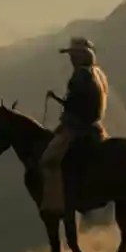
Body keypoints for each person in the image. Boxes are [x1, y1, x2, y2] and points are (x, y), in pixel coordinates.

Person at [40, 36, 109, 215]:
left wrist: (56, 99)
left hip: (78, 126)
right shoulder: (98, 73)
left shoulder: (80, 75)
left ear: (82, 56)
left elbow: (73, 103)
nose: (71, 58)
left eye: (74, 55)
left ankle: (57, 203)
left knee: (48, 158)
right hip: (95, 125)